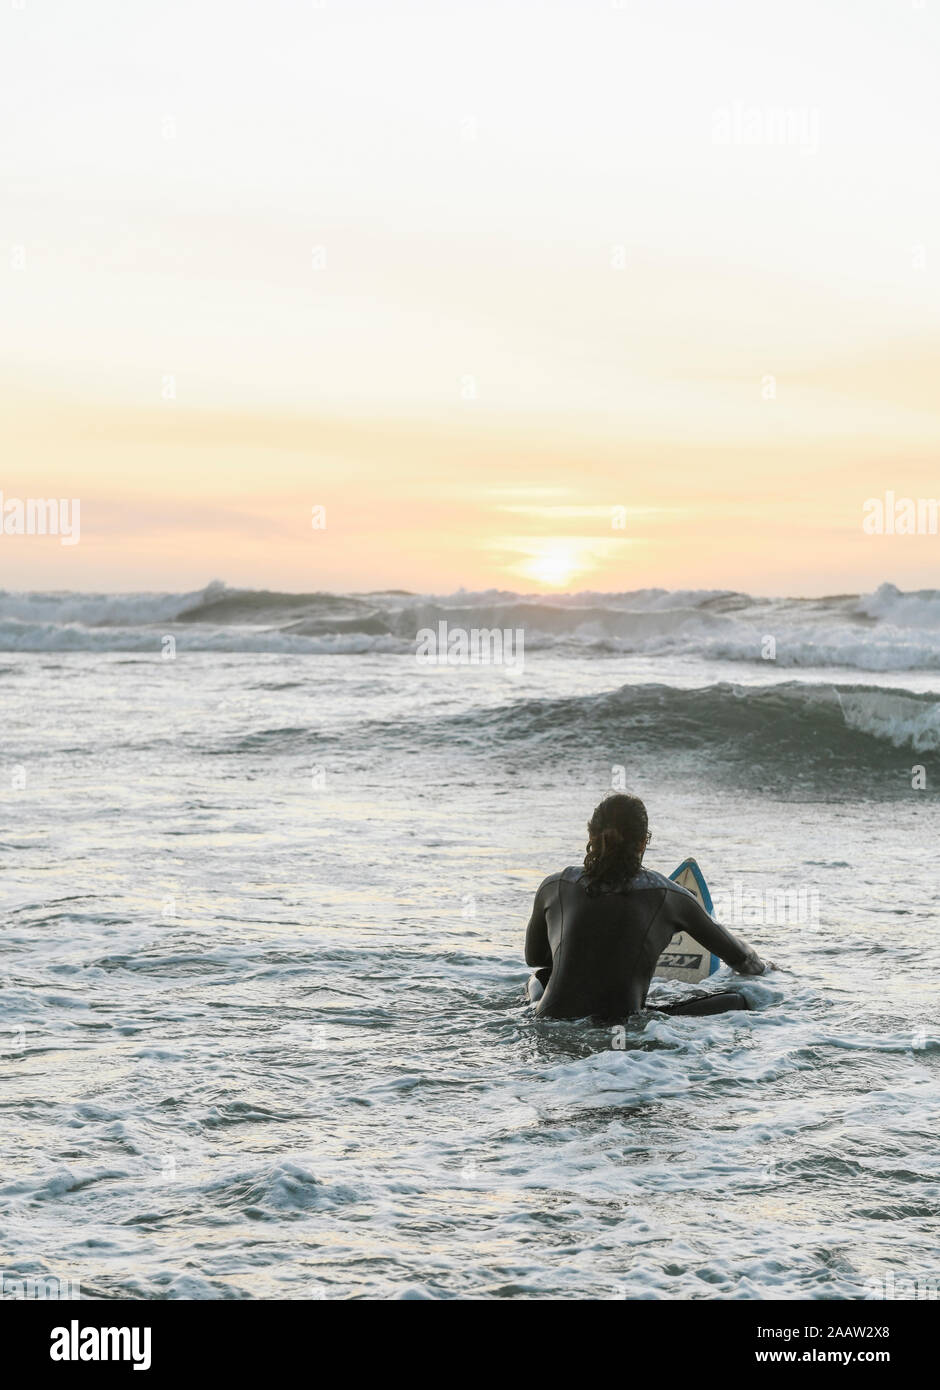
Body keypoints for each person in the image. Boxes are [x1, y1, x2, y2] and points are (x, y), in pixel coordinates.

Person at [525, 793, 768, 1019]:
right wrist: (769, 970)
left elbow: (535, 958)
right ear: (642, 843)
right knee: (740, 999)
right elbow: (743, 960)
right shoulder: (669, 896)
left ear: (591, 837)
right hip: (623, 1025)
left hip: (550, 1017)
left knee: (538, 978)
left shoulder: (554, 886)